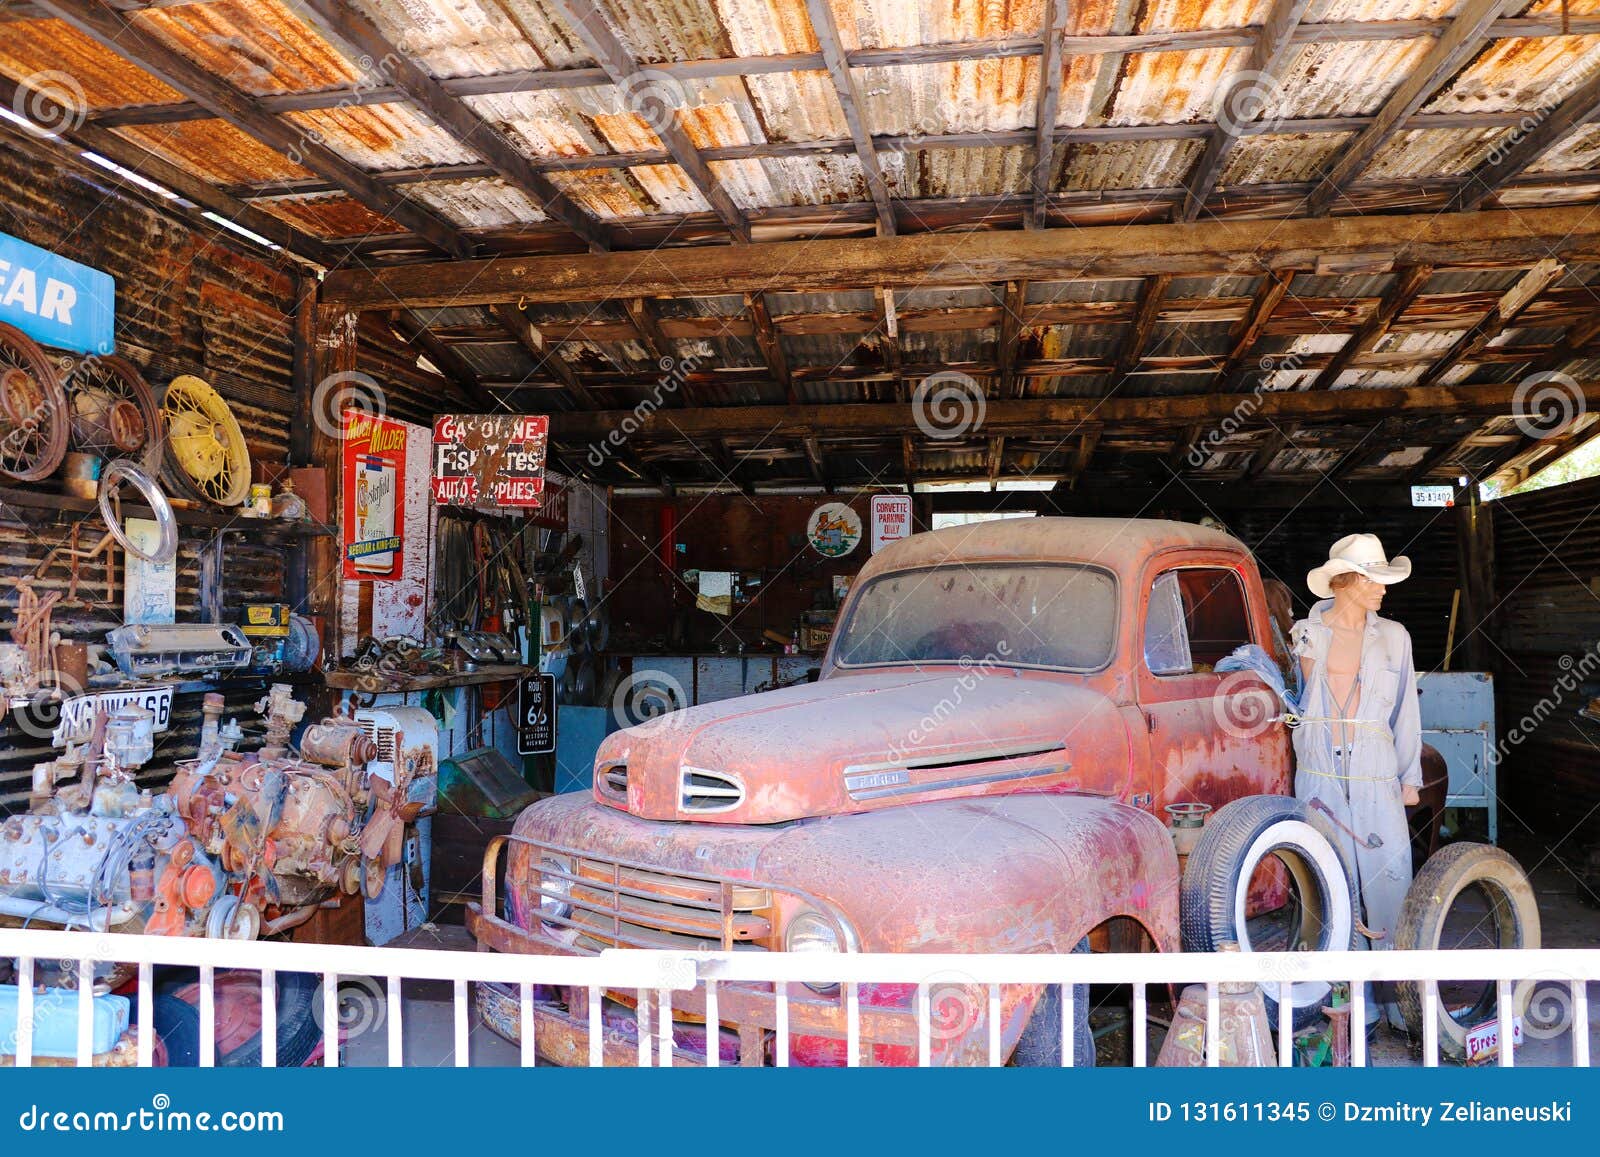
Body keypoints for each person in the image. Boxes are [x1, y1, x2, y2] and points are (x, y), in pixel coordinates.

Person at [1290, 533, 1423, 1032]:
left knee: (1390, 881)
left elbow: (1407, 710)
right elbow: (1295, 708)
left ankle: (1399, 1004)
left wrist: (1410, 777)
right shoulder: (1305, 633)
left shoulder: (1395, 636)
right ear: (1347, 582)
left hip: (1375, 771)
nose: (1383, 590)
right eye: (1375, 580)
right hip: (1320, 774)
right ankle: (1350, 1005)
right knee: (1332, 885)